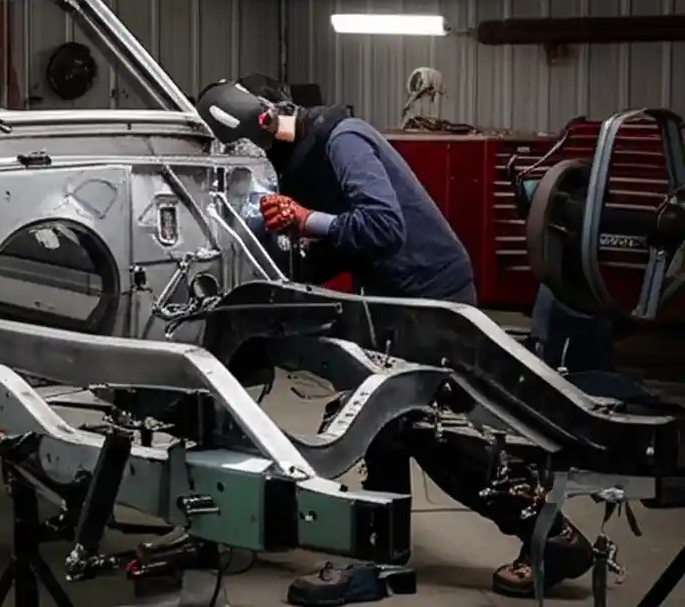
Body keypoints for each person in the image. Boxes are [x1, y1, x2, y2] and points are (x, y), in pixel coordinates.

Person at [195, 75, 594, 598]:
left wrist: (305, 220)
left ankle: (549, 535)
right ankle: (387, 559)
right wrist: (280, 258)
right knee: (388, 423)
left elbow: (383, 227)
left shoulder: (343, 139)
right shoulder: (293, 165)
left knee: (416, 426)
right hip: (394, 300)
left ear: (263, 115)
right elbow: (340, 248)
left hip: (430, 294)